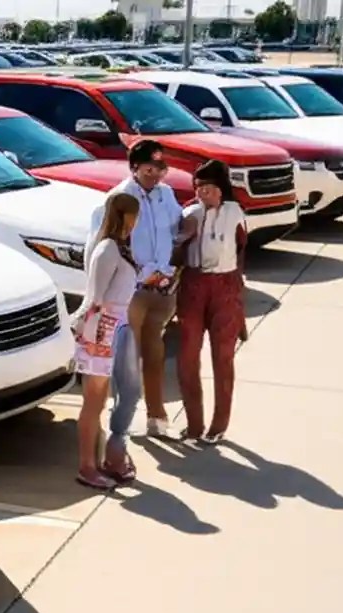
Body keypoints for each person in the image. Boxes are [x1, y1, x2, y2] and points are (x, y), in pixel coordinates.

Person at [90, 139, 184, 439]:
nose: (155, 176)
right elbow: (102, 246)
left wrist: (172, 271)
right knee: (126, 362)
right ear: (134, 168)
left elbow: (175, 232)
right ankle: (123, 421)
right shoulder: (118, 199)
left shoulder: (165, 195)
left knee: (155, 356)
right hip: (131, 291)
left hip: (162, 290)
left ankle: (157, 418)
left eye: (160, 169)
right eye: (148, 170)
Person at [174, 159, 248, 445]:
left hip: (225, 285)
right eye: (198, 187)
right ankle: (194, 424)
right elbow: (176, 249)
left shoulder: (235, 212)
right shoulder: (189, 213)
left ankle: (219, 424)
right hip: (194, 283)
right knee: (188, 354)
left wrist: (237, 292)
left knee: (223, 356)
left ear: (221, 189)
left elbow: (242, 248)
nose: (202, 193)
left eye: (208, 187)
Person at [72, 193, 141, 490]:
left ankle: (103, 459)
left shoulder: (119, 246)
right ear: (125, 216)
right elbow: (95, 298)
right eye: (134, 215)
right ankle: (87, 466)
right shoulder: (107, 249)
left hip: (116, 326)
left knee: (115, 396)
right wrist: (88, 334)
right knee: (94, 402)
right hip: (101, 329)